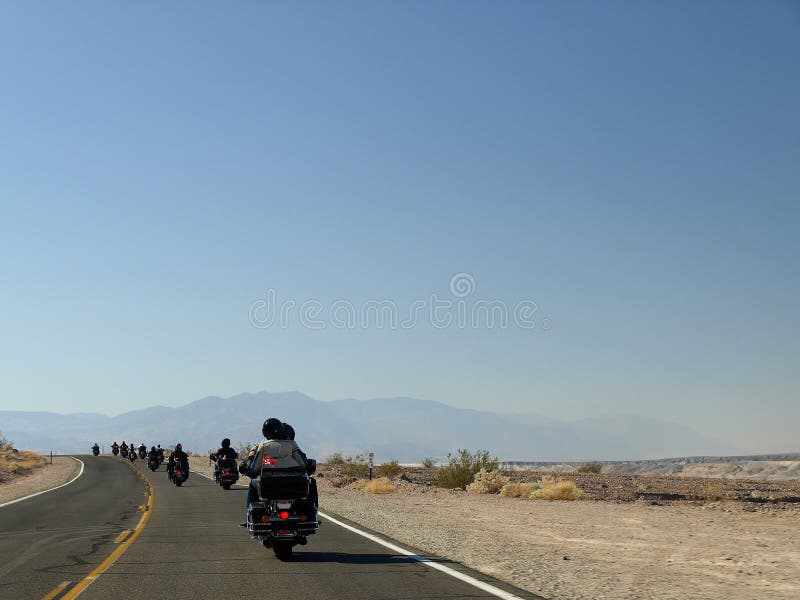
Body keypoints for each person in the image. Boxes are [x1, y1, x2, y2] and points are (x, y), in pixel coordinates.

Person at [240, 418, 307, 507]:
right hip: (293, 485)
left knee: (253, 484)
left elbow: (255, 467)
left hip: (269, 486)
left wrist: (251, 470)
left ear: (265, 432)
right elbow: (303, 464)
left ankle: (249, 510)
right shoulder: (292, 444)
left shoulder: (263, 446)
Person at [283, 423, 318, 509]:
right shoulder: (293, 446)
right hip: (294, 484)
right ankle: (313, 508)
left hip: (271, 485)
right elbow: (303, 463)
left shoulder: (267, 447)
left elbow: (257, 464)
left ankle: (311, 509)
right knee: (311, 482)